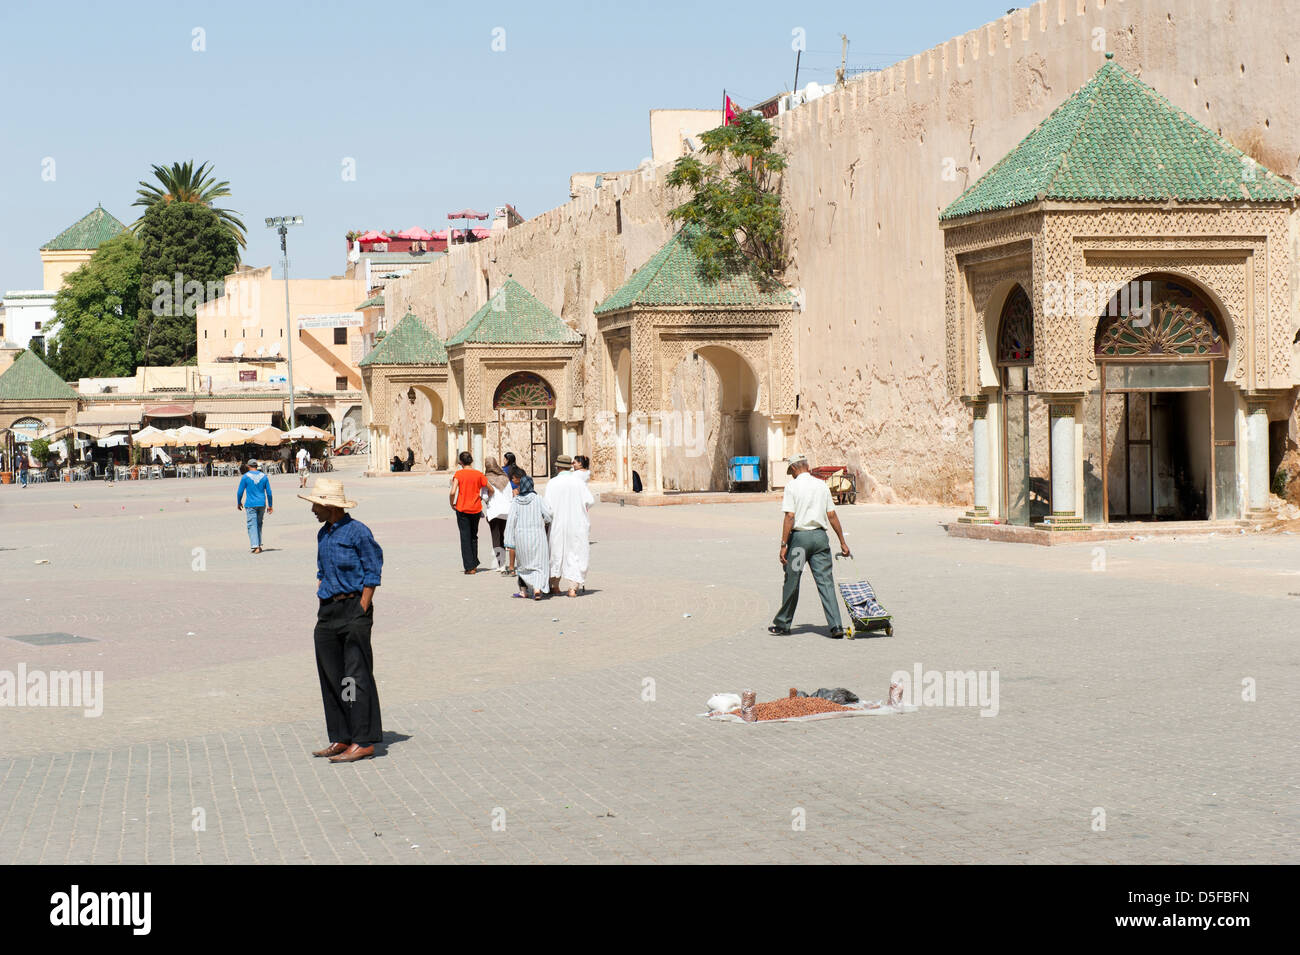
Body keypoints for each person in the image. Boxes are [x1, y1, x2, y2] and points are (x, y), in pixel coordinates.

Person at [301, 478, 384, 763]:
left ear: (329, 506)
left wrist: (361, 608)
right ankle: (340, 736)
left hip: (353, 610)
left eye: (315, 504)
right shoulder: (322, 534)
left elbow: (373, 571)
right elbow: (321, 570)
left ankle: (363, 740)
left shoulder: (358, 532)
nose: (312, 509)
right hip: (328, 612)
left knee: (355, 677)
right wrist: (322, 592)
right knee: (331, 675)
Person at [769, 454, 852, 638]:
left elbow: (790, 516)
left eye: (790, 472)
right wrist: (842, 542)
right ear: (807, 466)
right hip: (820, 539)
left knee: (793, 580)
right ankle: (836, 626)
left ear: (794, 469)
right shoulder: (822, 485)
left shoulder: (792, 486)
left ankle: (783, 624)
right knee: (826, 582)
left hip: (800, 541)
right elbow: (831, 515)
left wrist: (783, 544)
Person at [545, 454, 595, 597]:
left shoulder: (552, 483)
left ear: (558, 467)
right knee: (575, 553)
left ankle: (554, 586)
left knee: (556, 552)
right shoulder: (578, 482)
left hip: (557, 524)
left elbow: (547, 507)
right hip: (576, 523)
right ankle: (573, 588)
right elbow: (590, 501)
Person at [504, 469, 551, 599]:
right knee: (539, 564)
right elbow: (548, 516)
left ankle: (523, 591)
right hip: (537, 537)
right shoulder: (538, 499)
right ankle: (537, 589)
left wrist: (509, 541)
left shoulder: (516, 501)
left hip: (521, 538)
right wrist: (545, 523)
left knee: (523, 566)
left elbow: (510, 522)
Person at [449, 451, 489, 574]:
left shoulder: (459, 474)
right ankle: (474, 563)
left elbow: (452, 491)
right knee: (473, 536)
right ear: (471, 461)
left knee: (465, 537)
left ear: (461, 462)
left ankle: (469, 566)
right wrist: (482, 497)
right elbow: (490, 488)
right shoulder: (479, 474)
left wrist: (452, 503)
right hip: (476, 508)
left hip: (462, 508)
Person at [236, 458, 274, 554]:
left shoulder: (245, 477)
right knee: (259, 524)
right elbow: (269, 492)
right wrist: (270, 505)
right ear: (256, 466)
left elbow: (240, 492)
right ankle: (259, 544)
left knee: (252, 525)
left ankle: (256, 546)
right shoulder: (264, 476)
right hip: (262, 504)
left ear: (248, 466)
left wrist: (239, 502)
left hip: (250, 504)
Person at [482, 456, 512, 573]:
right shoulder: (505, 478)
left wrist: (488, 500)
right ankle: (506, 563)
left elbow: (484, 496)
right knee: (503, 536)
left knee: (496, 537)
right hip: (506, 511)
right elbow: (510, 495)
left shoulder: (486, 479)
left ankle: (501, 564)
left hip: (494, 511)